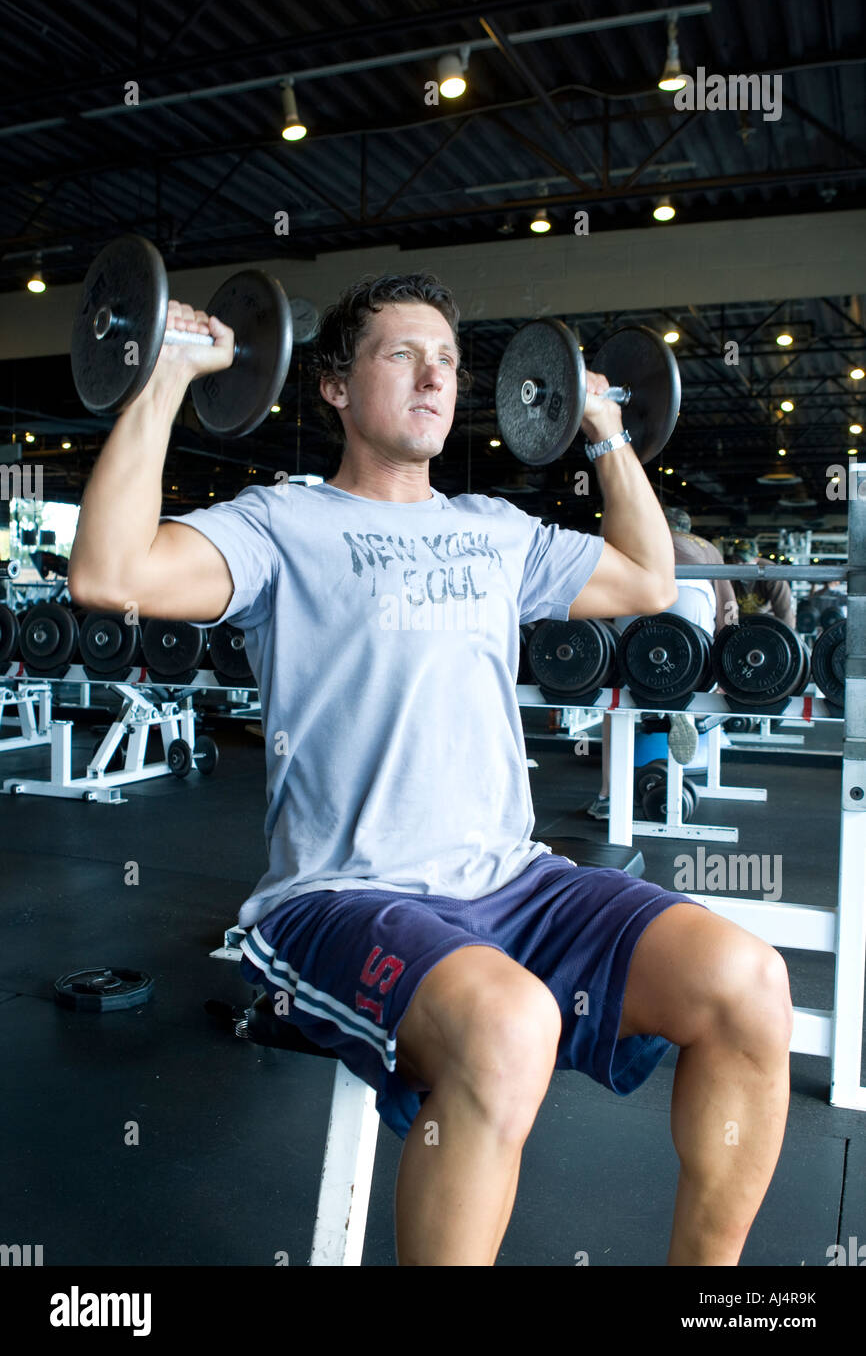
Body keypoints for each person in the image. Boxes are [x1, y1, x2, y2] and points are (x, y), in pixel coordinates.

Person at [68, 274, 792, 1267]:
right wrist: (162, 382)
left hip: (511, 877)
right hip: (339, 895)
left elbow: (648, 579)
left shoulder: (494, 529)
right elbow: (110, 572)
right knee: (508, 1021)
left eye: (446, 361)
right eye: (401, 354)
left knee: (746, 981)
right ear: (332, 385)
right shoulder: (281, 522)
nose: (432, 377)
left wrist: (600, 427)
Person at [586, 506, 738, 820]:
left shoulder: (634, 537)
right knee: (694, 672)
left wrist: (602, 657)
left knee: (617, 697)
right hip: (689, 596)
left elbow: (604, 587)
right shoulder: (704, 547)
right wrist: (727, 668)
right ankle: (684, 709)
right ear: (687, 526)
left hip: (637, 597)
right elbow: (728, 607)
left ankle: (608, 796)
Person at [724, 537, 795, 629]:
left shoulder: (771, 573)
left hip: (766, 622)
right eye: (736, 559)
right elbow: (726, 606)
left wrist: (788, 637)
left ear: (756, 560)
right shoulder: (727, 571)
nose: (739, 564)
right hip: (740, 621)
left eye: (744, 561)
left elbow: (784, 611)